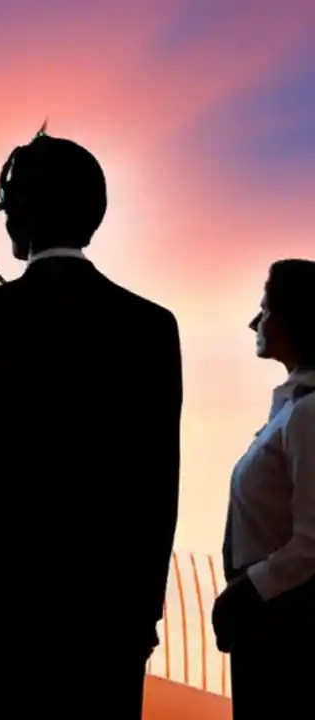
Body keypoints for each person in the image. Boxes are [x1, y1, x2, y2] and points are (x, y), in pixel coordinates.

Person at [0, 131, 183, 718]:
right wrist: (142, 611)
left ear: (13, 218)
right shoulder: (150, 328)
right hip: (107, 623)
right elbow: (158, 485)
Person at [212, 259, 315, 719]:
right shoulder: (294, 407)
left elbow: (312, 542)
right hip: (270, 618)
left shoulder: (309, 414)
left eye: (266, 309)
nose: (256, 322)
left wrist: (248, 590)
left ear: (294, 319)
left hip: (286, 624)